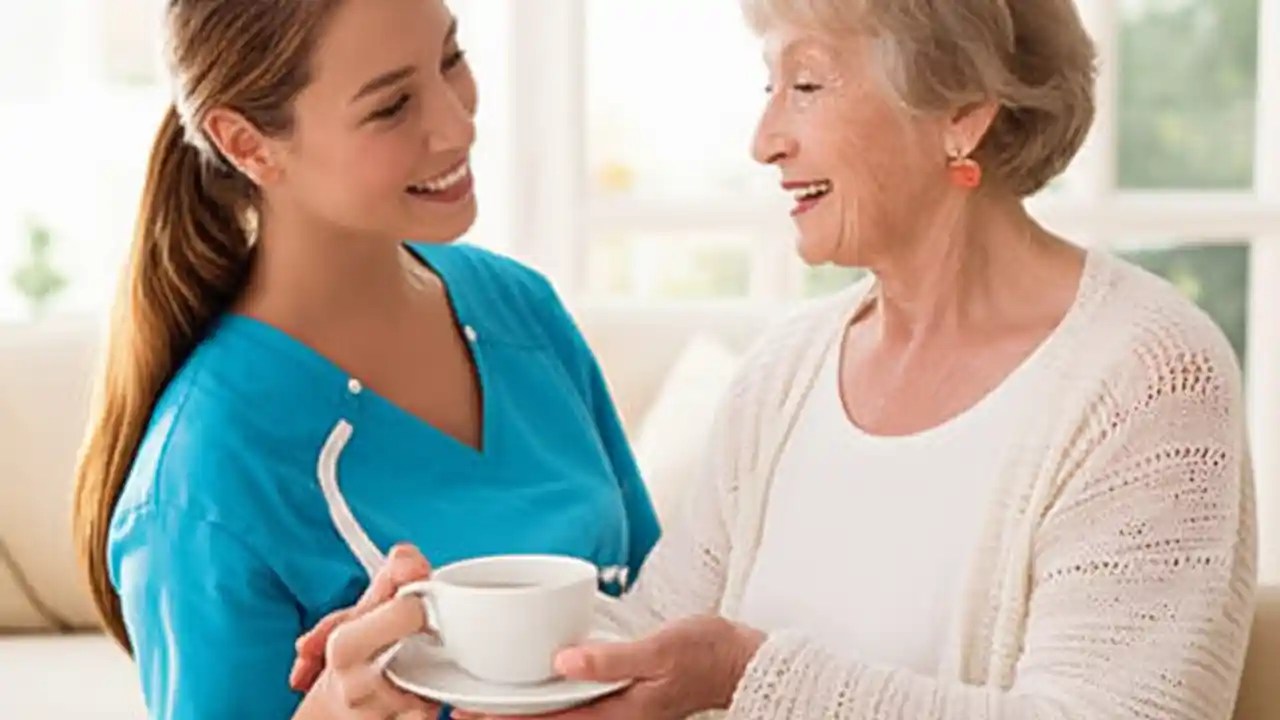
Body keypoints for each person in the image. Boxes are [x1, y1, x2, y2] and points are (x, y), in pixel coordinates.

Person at [297, 0, 1258, 717]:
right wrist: (447, 634)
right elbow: (658, 636)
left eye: (806, 85)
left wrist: (749, 675)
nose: (765, 140)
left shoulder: (1144, 376)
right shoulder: (788, 369)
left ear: (962, 113)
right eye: (771, 87)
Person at [69, 1, 660, 718]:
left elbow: (661, 601)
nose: (458, 124)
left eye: (450, 58)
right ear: (247, 143)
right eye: (391, 106)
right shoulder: (201, 483)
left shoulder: (519, 307)